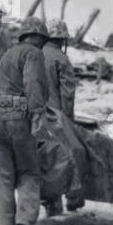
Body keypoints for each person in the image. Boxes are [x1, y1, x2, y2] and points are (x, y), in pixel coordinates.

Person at [0, 17, 50, 225]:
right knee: (29, 172)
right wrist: (38, 116)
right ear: (39, 37)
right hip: (19, 116)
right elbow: (33, 84)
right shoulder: (33, 54)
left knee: (3, 180)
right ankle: (24, 221)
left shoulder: (6, 55)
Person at [40, 19, 84, 214]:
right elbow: (68, 95)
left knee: (44, 162)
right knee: (72, 155)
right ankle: (73, 198)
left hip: (35, 118)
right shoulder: (61, 59)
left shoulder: (34, 55)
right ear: (62, 39)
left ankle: (51, 203)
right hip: (57, 118)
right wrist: (69, 121)